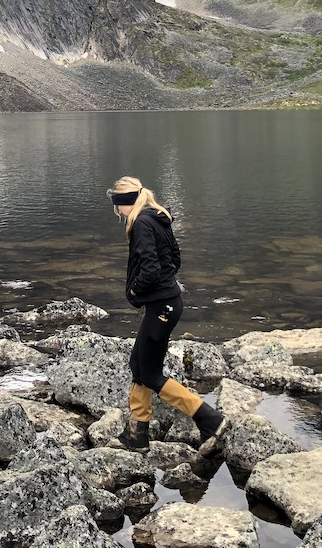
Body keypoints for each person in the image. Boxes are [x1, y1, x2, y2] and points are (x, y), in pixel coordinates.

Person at [108, 175, 227, 452]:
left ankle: (210, 418)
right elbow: (175, 259)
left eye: (118, 206)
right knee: (139, 364)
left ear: (124, 202)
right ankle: (137, 434)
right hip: (167, 304)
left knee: (151, 375)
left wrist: (136, 291)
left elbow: (150, 268)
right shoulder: (158, 217)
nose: (118, 212)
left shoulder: (140, 223)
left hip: (161, 307)